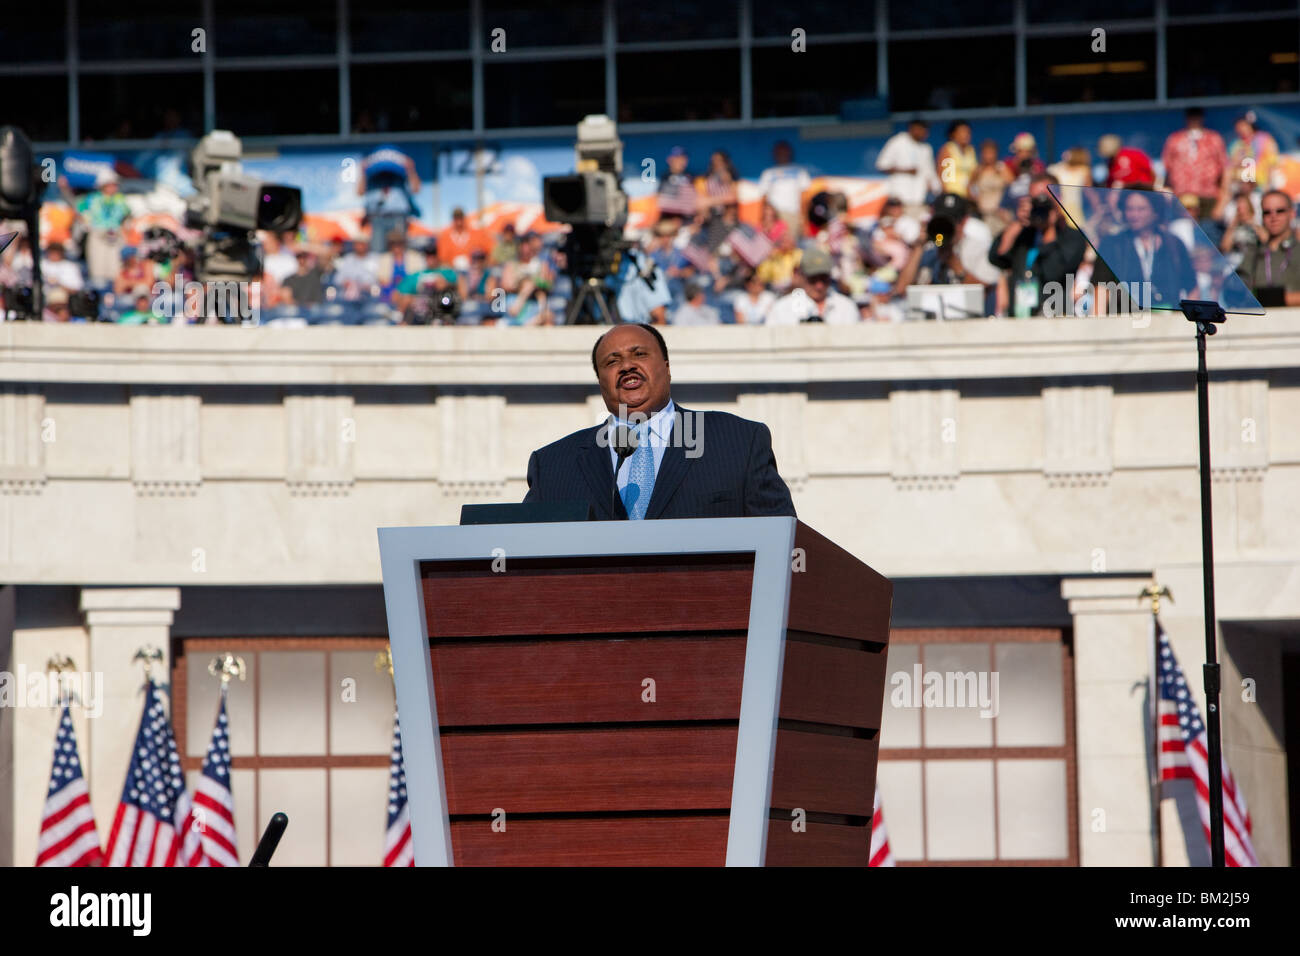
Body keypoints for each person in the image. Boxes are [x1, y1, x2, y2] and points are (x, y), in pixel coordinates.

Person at [522, 323, 796, 519]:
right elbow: (527, 556)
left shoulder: (739, 442)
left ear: (667, 367)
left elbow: (782, 543)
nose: (627, 365)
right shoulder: (553, 465)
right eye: (612, 361)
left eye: (639, 354)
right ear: (600, 381)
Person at [988, 174, 1088, 317]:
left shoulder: (1073, 237)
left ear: (1058, 199)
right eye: (1035, 199)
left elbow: (1053, 273)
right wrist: (1018, 223)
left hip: (1055, 316)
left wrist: (1050, 230)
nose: (1040, 204)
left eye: (1045, 198)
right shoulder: (1023, 234)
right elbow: (996, 257)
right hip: (1020, 315)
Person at [1093, 188, 1195, 315]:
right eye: (1129, 209)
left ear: (1155, 211)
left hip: (1169, 320)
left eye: (1141, 209)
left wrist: (1188, 321)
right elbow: (1101, 288)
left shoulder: (1174, 244)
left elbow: (1192, 287)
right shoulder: (1112, 244)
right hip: (1126, 320)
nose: (1134, 214)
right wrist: (1098, 325)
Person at [1162, 107, 1228, 227]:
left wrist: (1222, 201)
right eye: (1191, 117)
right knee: (1183, 230)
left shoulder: (1214, 139)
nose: (1194, 120)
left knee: (1208, 233)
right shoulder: (1174, 139)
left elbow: (1224, 170)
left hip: (1208, 197)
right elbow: (1167, 170)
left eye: (1197, 116)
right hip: (1182, 195)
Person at [1235, 189, 1300, 306]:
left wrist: (1276, 299)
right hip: (1258, 321)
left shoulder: (1297, 250)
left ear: (1292, 213)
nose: (1273, 217)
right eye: (1267, 212)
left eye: (1280, 211)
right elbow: (1236, 290)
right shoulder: (1254, 252)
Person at [765, 246, 859, 324]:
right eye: (812, 279)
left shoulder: (846, 307)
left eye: (824, 278)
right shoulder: (782, 309)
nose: (819, 286)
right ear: (800, 275)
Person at [876, 118, 940, 220]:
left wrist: (936, 189)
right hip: (900, 200)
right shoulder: (897, 142)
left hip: (919, 201)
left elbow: (930, 173)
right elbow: (882, 165)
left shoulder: (926, 148)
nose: (925, 133)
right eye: (923, 130)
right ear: (913, 128)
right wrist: (906, 170)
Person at [758, 141, 812, 238]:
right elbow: (764, 199)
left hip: (792, 214)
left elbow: (805, 197)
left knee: (791, 244)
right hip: (773, 217)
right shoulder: (768, 173)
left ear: (789, 153)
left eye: (784, 152)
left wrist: (803, 218)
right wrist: (763, 219)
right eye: (779, 152)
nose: (782, 155)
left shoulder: (800, 171)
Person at [437, 207, 488, 272]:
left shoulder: (477, 233)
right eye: (456, 218)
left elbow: (488, 251)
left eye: (460, 218)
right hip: (453, 272)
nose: (459, 221)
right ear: (453, 220)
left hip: (474, 271)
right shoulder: (445, 237)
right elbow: (442, 259)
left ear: (464, 219)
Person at [936, 120, 977, 199]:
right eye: (962, 132)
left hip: (968, 195)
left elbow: (974, 172)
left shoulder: (971, 150)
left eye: (968, 132)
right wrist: (948, 195)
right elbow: (945, 177)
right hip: (953, 194)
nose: (966, 135)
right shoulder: (949, 149)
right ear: (953, 134)